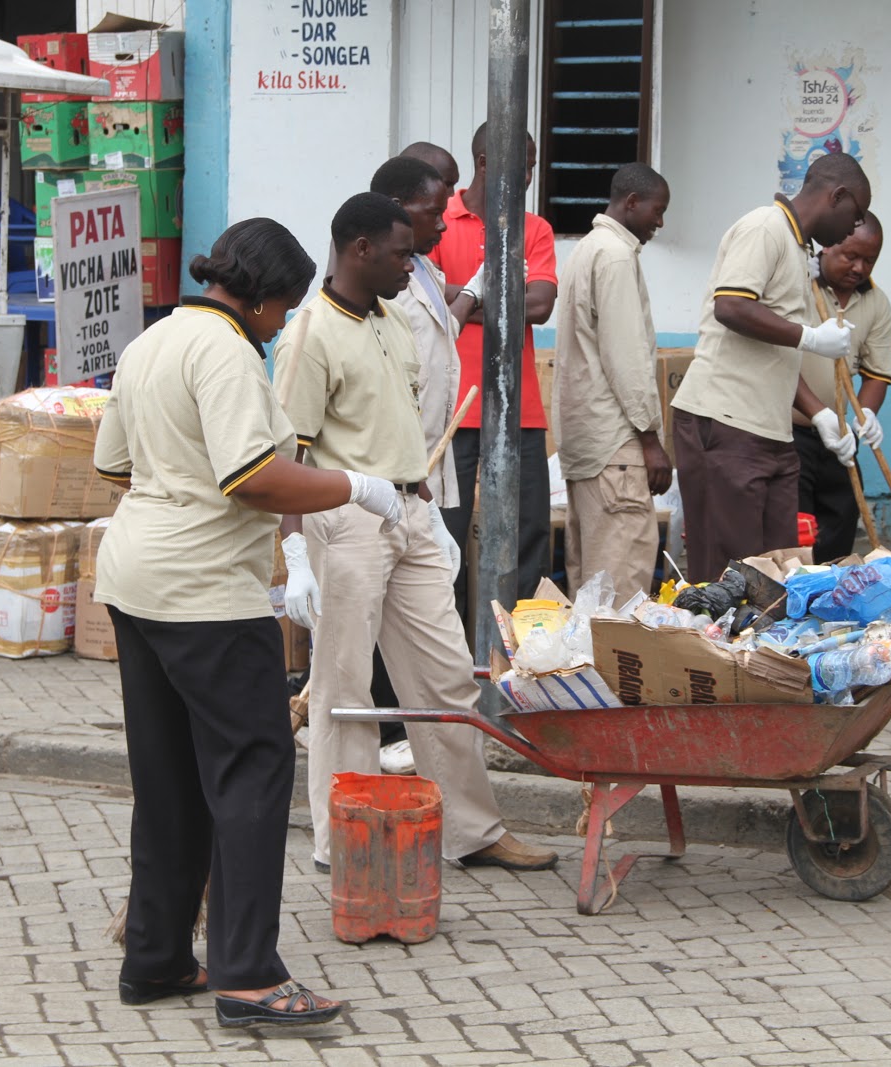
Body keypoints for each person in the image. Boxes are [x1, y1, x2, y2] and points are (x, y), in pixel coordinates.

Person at [94, 218, 399, 1028]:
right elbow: (252, 477)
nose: (282, 326)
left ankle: (156, 958)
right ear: (265, 297)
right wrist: (353, 486)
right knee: (253, 771)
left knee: (168, 780)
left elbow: (113, 463)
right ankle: (249, 974)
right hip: (204, 592)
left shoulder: (154, 338)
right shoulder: (227, 350)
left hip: (135, 576)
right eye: (284, 310)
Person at [274, 192, 558, 876]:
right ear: (359, 250)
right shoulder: (311, 333)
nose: (415, 264)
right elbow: (285, 456)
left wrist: (426, 504)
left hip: (409, 511)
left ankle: (470, 829)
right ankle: (338, 837)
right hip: (344, 520)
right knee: (346, 690)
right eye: (402, 253)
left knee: (447, 679)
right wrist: (293, 555)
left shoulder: (393, 319)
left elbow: (402, 422)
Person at [669, 151, 872, 582]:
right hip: (725, 422)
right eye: (855, 215)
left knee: (779, 572)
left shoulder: (798, 248)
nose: (854, 228)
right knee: (729, 578)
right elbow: (730, 306)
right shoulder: (765, 227)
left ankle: (762, 651)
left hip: (771, 433)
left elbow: (773, 350)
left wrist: (818, 414)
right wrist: (811, 337)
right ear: (836, 196)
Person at [363, 153, 479, 774]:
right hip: (390, 475)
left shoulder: (426, 270)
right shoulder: (381, 286)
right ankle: (386, 732)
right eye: (434, 210)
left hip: (430, 463)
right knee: (384, 606)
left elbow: (438, 345)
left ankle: (420, 725)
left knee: (429, 599)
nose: (443, 223)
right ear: (396, 209)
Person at [427, 122, 558, 615]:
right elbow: (426, 298)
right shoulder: (441, 219)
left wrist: (465, 298)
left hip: (519, 408)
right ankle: (452, 659)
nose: (528, 176)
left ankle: (524, 656)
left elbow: (541, 304)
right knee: (447, 536)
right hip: (453, 407)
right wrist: (495, 298)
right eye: (522, 166)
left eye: (531, 166)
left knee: (529, 535)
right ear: (485, 162)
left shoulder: (535, 228)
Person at [554, 163, 672, 602]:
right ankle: (615, 673)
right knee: (621, 591)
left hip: (589, 446)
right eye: (657, 210)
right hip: (616, 447)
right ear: (631, 203)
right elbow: (626, 359)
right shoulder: (616, 255)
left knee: (592, 587)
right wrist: (651, 439)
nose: (660, 222)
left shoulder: (585, 250)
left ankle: (592, 670)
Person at [794, 213, 891, 562]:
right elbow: (778, 362)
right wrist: (817, 413)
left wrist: (865, 413)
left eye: (869, 260)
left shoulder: (876, 301)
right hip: (787, 430)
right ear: (828, 245)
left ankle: (832, 594)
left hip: (836, 434)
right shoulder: (799, 283)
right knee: (796, 525)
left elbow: (877, 373)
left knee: (843, 514)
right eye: (850, 256)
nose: (859, 267)